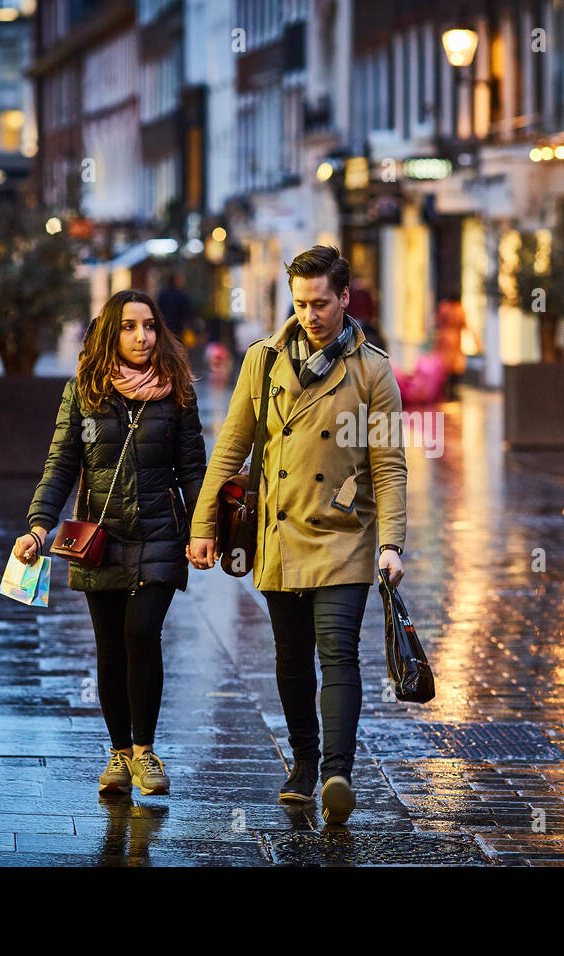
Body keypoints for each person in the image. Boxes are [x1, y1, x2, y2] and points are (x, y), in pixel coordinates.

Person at [187, 244, 407, 825]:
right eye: (301, 303)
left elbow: (388, 463)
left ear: (344, 298)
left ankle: (337, 771)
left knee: (338, 652)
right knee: (290, 658)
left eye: (321, 303)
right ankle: (304, 764)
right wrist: (203, 522)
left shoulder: (373, 370)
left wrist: (392, 544)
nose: (310, 314)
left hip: (344, 533)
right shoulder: (263, 359)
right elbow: (231, 446)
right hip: (279, 532)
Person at [16, 289, 207, 796]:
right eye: (128, 326)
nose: (141, 336)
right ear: (110, 332)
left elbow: (192, 469)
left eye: (148, 325)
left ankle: (146, 753)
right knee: (110, 648)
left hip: (160, 536)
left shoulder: (177, 389)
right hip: (98, 539)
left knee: (142, 633)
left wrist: (202, 529)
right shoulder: (84, 388)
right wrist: (39, 524)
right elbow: (61, 463)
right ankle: (118, 754)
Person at [432, 297, 470, 399]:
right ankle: (452, 391)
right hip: (455, 340)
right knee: (454, 367)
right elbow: (464, 324)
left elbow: (438, 321)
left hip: (445, 339)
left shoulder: (444, 307)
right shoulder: (459, 309)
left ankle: (447, 391)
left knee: (446, 366)